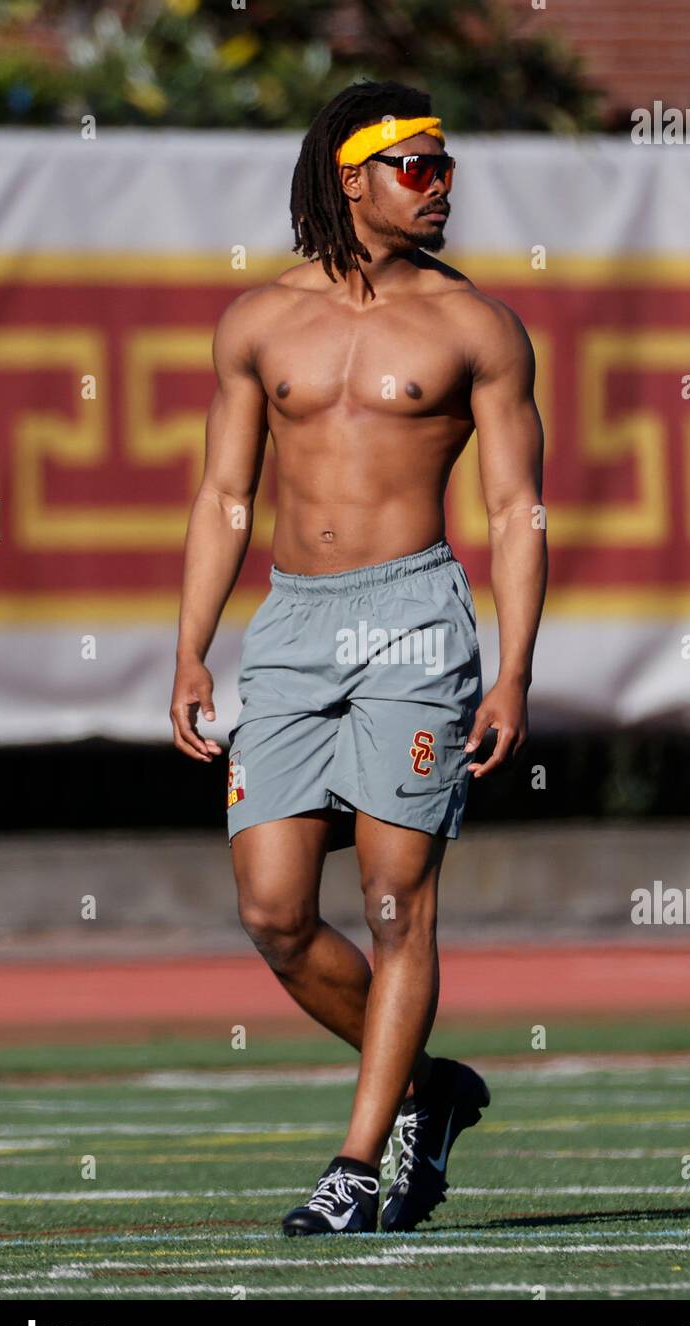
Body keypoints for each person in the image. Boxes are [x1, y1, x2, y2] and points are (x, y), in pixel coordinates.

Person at [170, 79, 547, 1236]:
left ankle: (353, 1162)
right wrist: (190, 650)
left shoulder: (475, 325)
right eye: (415, 167)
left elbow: (517, 507)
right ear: (352, 177)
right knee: (274, 910)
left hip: (413, 621)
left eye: (447, 167)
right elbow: (225, 495)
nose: (441, 186)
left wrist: (514, 667)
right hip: (288, 625)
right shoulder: (255, 321)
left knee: (396, 906)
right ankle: (432, 1095)